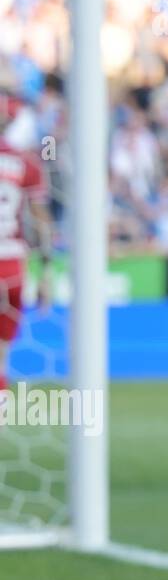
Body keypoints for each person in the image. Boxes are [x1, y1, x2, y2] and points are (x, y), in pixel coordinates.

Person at [0, 97, 53, 391]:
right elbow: (42, 220)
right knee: (2, 356)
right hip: (12, 267)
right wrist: (45, 273)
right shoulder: (27, 164)